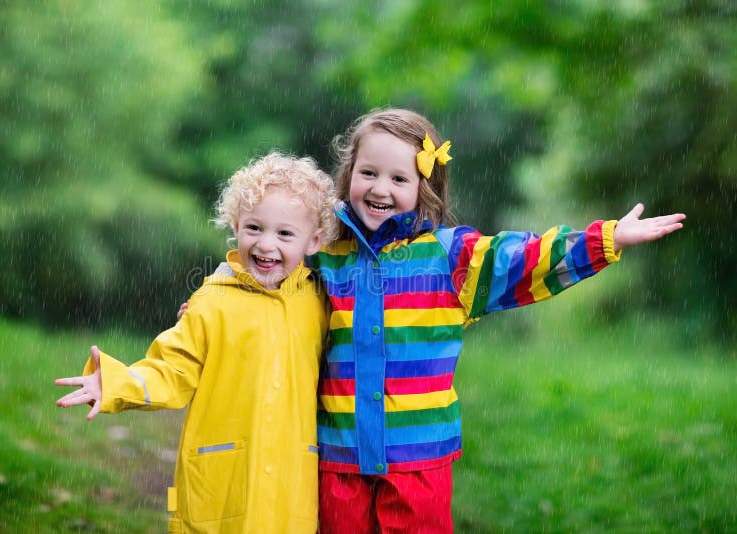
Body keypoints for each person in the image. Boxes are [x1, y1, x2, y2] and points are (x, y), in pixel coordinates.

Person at [306, 108, 686, 533]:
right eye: (368, 173)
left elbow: (526, 260)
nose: (380, 188)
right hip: (339, 460)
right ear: (349, 173)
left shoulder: (451, 257)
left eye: (399, 179)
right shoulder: (322, 257)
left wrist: (604, 240)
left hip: (419, 463)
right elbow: (272, 268)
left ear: (424, 186)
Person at [55, 152, 338, 534]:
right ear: (236, 225)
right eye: (254, 228)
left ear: (314, 240)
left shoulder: (321, 303)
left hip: (290, 491)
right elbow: (172, 369)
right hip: (223, 485)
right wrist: (115, 384)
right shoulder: (212, 301)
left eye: (285, 234)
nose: (266, 245)